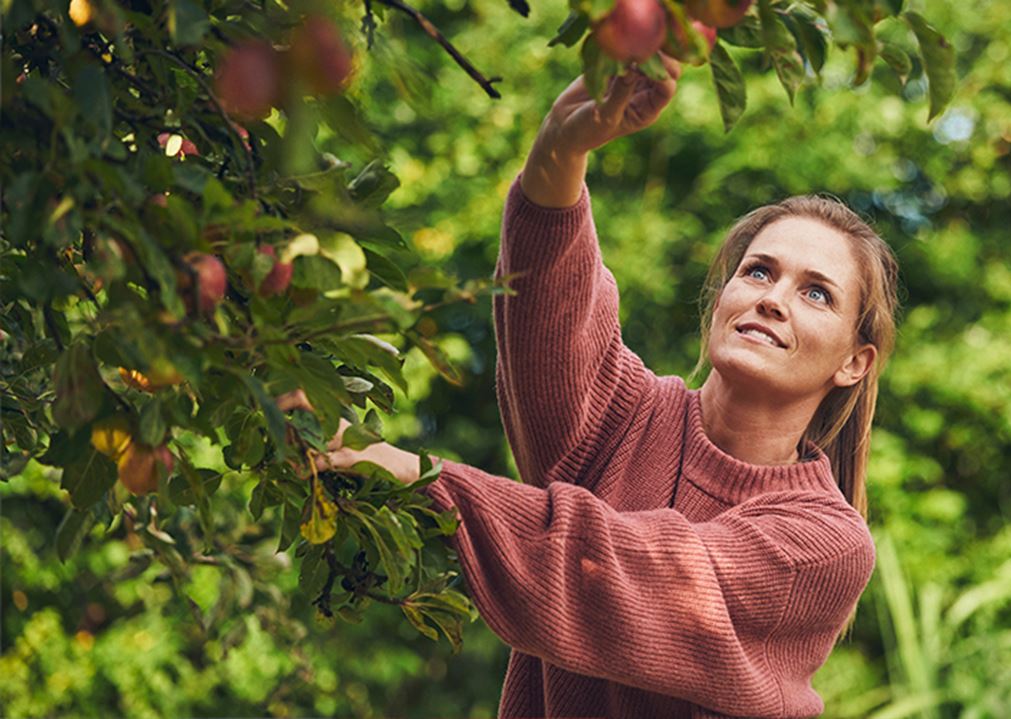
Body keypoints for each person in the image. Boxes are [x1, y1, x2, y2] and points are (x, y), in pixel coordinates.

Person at [289, 53, 901, 719]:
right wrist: (562, 145)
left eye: (816, 292)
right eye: (758, 271)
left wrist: (411, 471)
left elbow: (630, 577)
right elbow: (551, 309)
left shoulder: (824, 544)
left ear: (855, 362)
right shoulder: (627, 418)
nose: (773, 298)